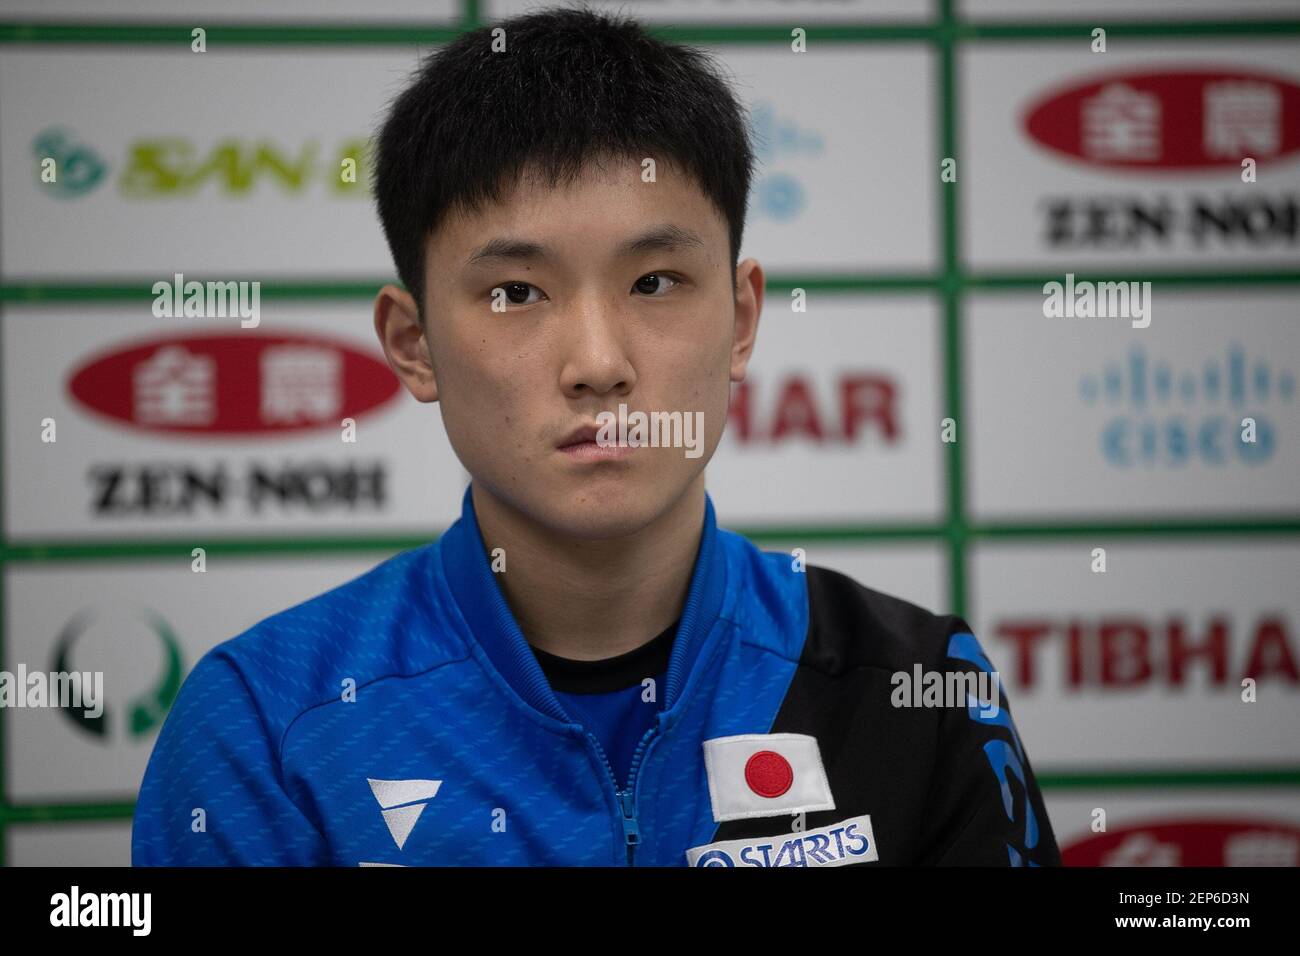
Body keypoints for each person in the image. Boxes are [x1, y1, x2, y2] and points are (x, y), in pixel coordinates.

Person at [132, 5, 1059, 867]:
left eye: (654, 282)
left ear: (740, 322)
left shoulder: (915, 686)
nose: (597, 362)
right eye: (515, 293)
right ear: (414, 347)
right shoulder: (266, 724)